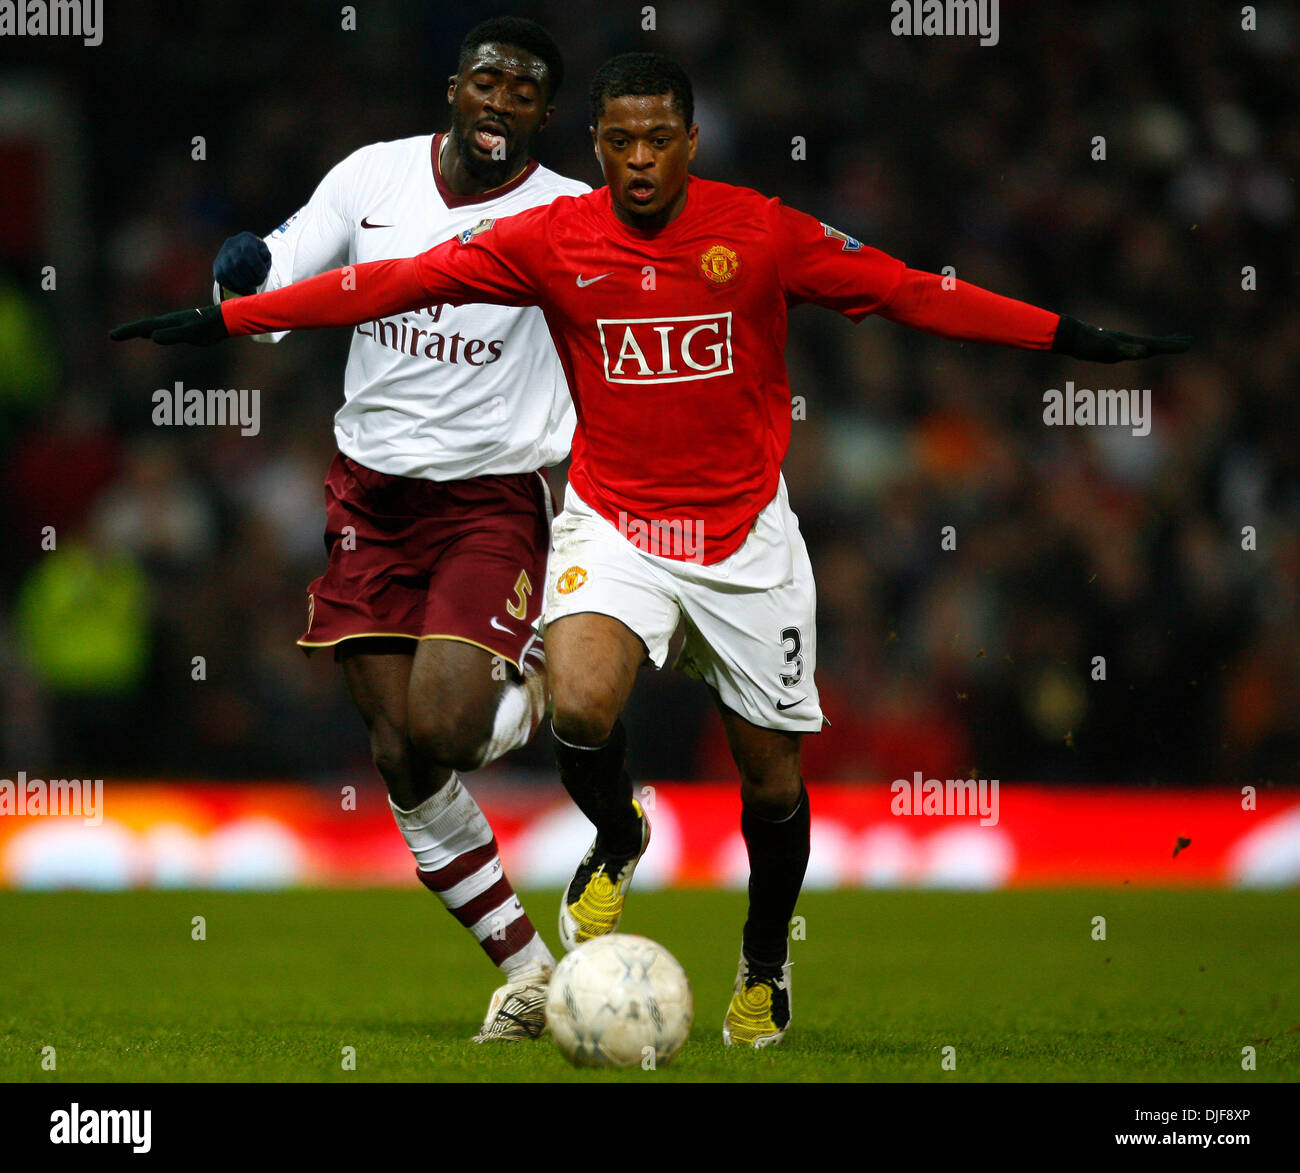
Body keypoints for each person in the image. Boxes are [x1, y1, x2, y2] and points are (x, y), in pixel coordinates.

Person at [113, 52, 1189, 1048]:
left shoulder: (760, 231)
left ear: (688, 142)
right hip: (614, 521)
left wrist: (1067, 337)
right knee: (578, 704)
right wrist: (233, 323)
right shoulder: (555, 238)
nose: (637, 161)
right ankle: (618, 832)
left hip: (744, 540)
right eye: (618, 142)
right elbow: (392, 285)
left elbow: (912, 292)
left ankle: (763, 967)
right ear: (597, 143)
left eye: (657, 140)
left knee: (770, 787)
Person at [204, 16, 589, 1041]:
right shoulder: (372, 178)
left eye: (524, 89)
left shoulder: (571, 216)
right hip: (368, 501)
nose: (501, 98)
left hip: (490, 499)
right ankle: (527, 971)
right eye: (487, 79)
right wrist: (242, 273)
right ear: (454, 90)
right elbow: (284, 280)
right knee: (400, 752)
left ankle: (533, 668)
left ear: (544, 116)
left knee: (448, 729)